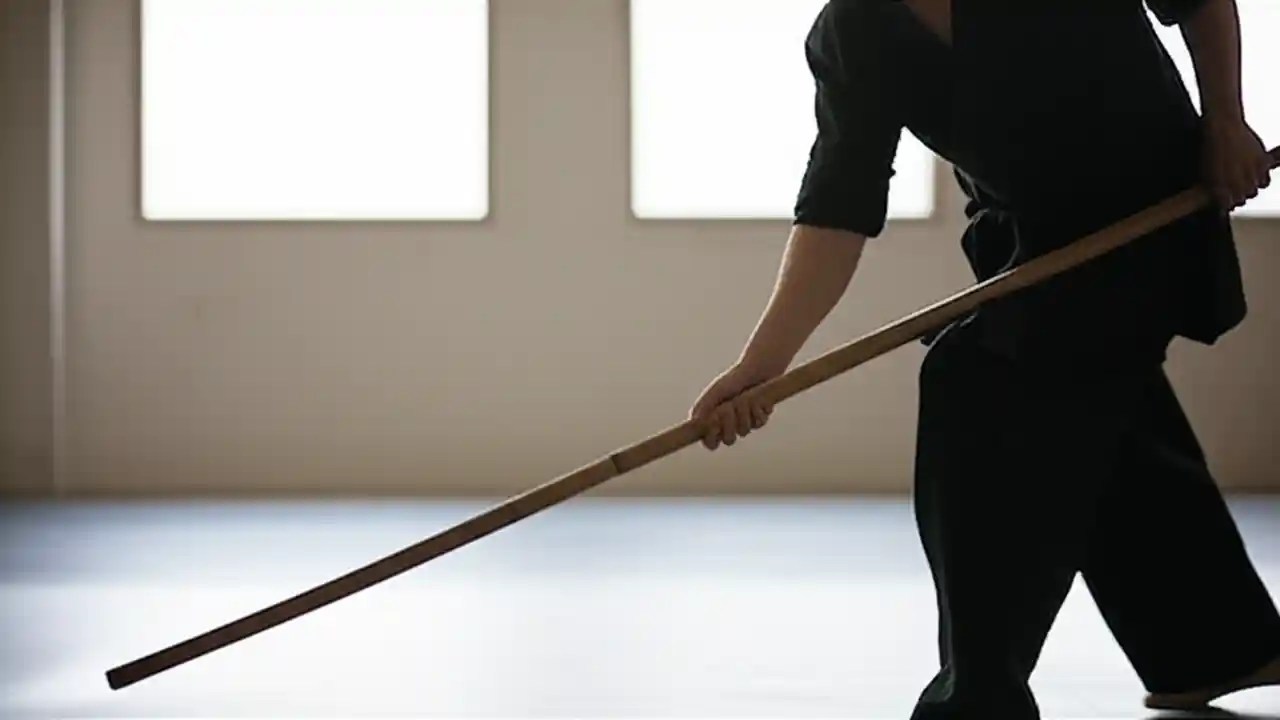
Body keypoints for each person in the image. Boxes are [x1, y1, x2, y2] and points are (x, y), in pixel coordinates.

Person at [687, 0, 1278, 717]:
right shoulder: (856, 30)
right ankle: (1214, 646)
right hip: (1028, 249)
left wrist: (1225, 118)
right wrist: (764, 365)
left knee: (974, 386)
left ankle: (977, 700)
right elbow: (839, 202)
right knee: (1107, 424)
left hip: (1149, 215)